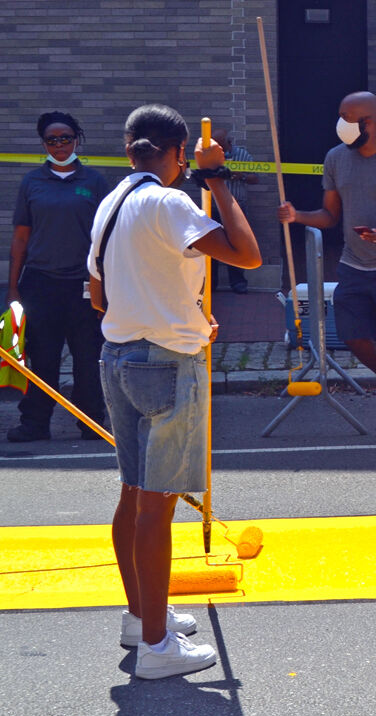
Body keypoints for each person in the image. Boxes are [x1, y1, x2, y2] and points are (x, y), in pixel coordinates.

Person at [88, 104, 261, 679]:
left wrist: (183, 313)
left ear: (129, 145)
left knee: (134, 492)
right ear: (179, 154)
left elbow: (99, 294)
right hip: (165, 361)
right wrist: (219, 181)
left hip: (118, 356)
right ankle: (157, 648)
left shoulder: (111, 202)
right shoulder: (169, 200)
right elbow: (247, 254)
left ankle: (142, 618)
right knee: (155, 504)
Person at [278, 92, 376, 445]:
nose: (340, 122)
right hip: (354, 263)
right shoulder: (335, 158)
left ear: (369, 122)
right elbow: (330, 215)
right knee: (353, 335)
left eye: (347, 116)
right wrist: (297, 216)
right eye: (340, 115)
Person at [7, 111, 109, 442]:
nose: (60, 144)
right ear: (44, 143)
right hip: (40, 283)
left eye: (65, 137)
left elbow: (105, 239)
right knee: (43, 359)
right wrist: (13, 288)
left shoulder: (94, 182)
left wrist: (105, 287)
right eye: (52, 139)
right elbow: (21, 237)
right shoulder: (32, 182)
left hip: (83, 284)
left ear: (77, 138)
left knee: (87, 359)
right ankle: (35, 423)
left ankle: (91, 423)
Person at [211, 127, 259, 294]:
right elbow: (199, 174)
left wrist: (241, 176)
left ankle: (238, 283)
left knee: (238, 245)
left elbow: (255, 177)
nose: (218, 149)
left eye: (220, 145)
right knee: (213, 246)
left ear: (228, 143)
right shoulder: (210, 157)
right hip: (215, 207)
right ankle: (211, 284)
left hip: (237, 207)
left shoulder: (243, 155)